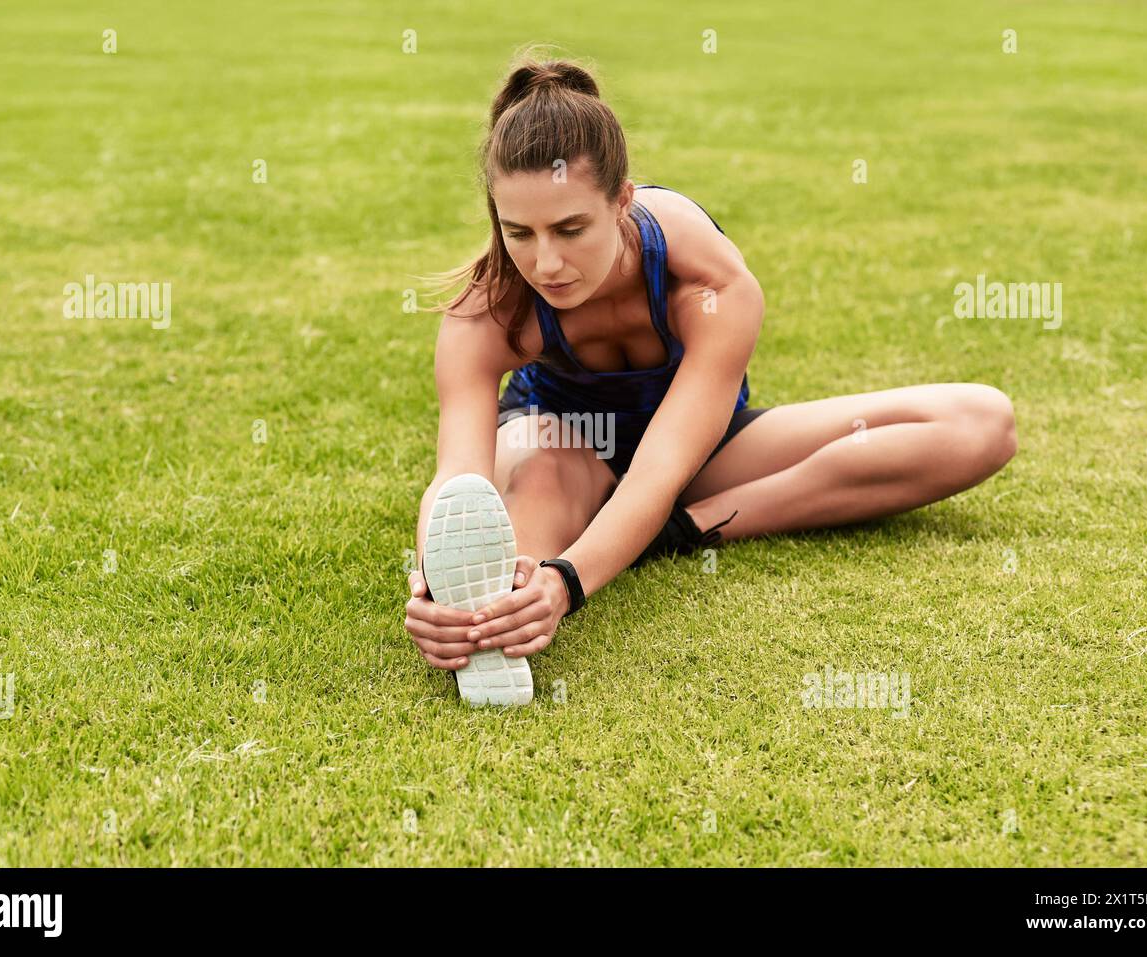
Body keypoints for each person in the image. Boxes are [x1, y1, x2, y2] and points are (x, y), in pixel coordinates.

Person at [405, 55, 1017, 702]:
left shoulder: (710, 282)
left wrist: (572, 581)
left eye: (571, 228)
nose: (546, 262)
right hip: (559, 448)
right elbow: (459, 479)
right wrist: (437, 580)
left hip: (694, 461)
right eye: (518, 232)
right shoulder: (488, 309)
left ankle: (675, 531)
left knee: (980, 423)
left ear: (622, 200)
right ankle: (494, 611)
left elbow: (663, 467)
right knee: (530, 501)